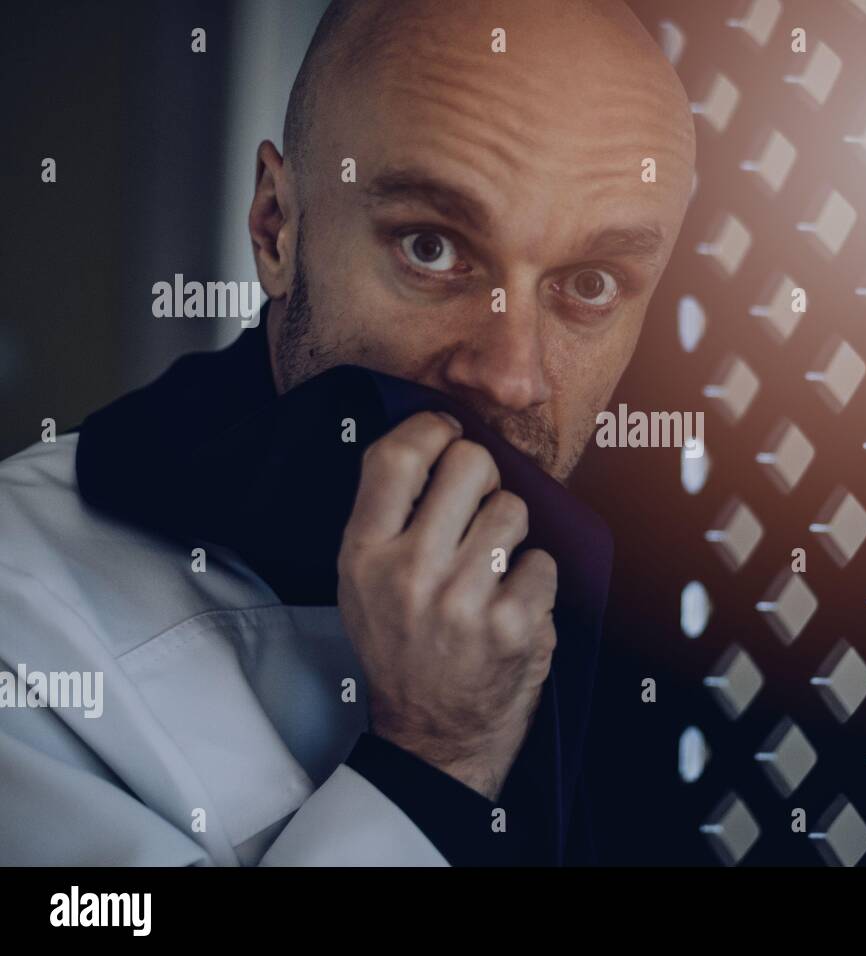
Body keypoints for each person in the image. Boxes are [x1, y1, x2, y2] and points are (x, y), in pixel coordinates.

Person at [0, 0, 695, 865]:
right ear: (276, 227)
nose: (512, 374)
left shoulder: (642, 638)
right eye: (431, 248)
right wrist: (436, 759)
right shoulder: (22, 611)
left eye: (588, 284)